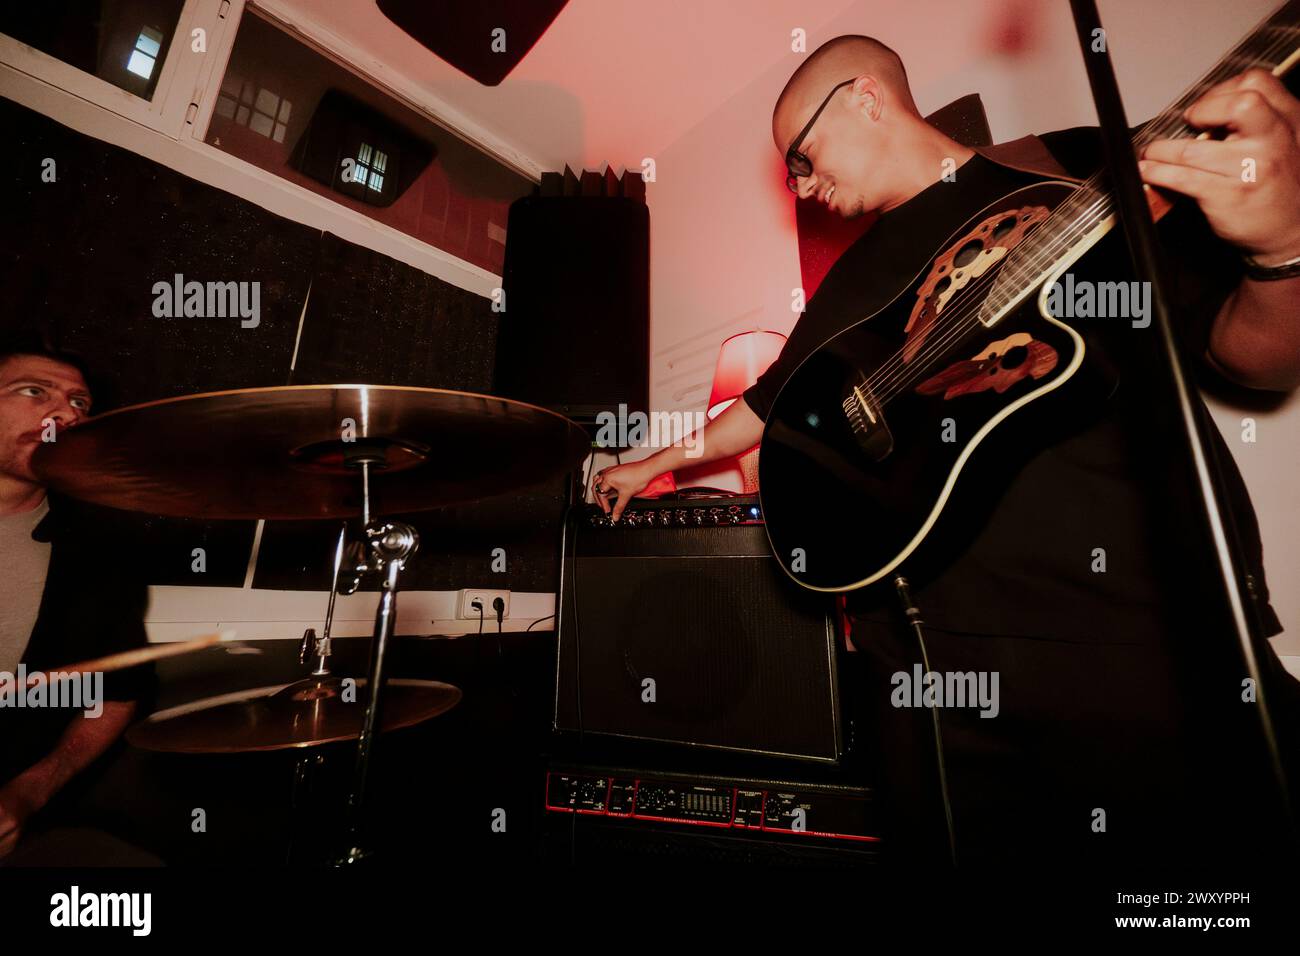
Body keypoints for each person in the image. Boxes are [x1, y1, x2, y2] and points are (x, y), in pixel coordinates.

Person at [589, 36, 1300, 869]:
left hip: (1135, 637)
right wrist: (649, 463)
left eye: (802, 159)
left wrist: (1283, 248)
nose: (805, 187)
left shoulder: (1075, 166)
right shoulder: (846, 288)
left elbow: (1251, 355)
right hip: (924, 665)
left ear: (864, 97)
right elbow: (763, 405)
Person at [0, 334, 156, 864]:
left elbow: (114, 694)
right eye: (33, 391)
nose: (64, 412)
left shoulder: (100, 550)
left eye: (78, 402)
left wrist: (30, 791)